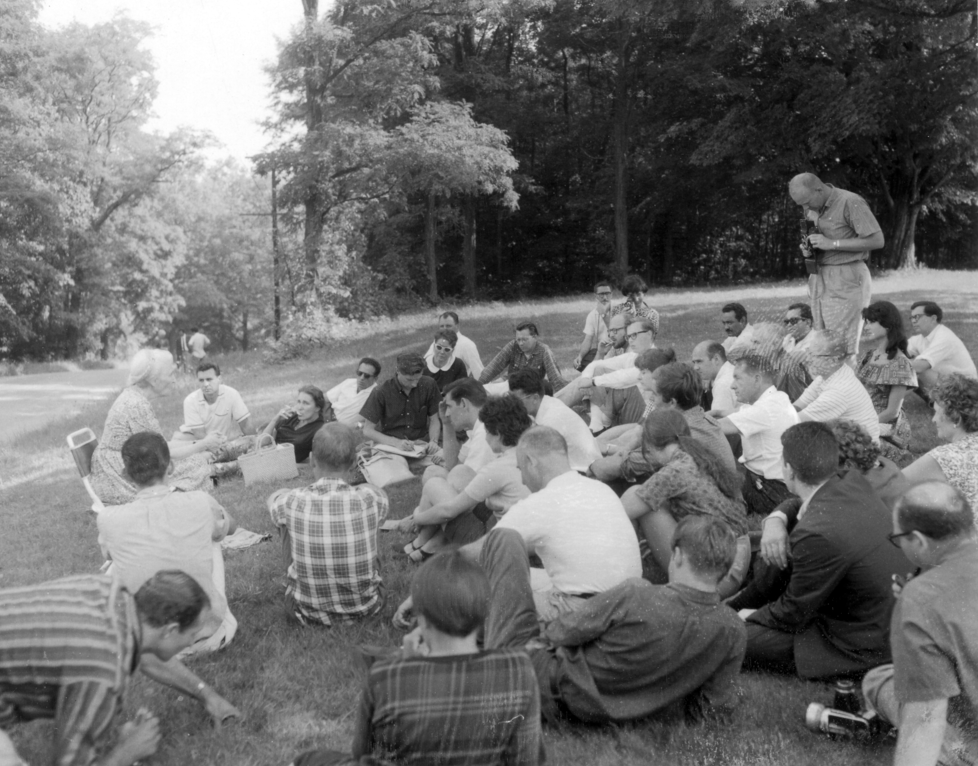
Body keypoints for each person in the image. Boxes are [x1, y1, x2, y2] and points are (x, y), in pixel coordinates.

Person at [395, 516, 747, 726]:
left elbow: (565, 630)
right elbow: (715, 707)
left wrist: (529, 637)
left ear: (678, 555)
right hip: (599, 710)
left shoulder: (638, 593)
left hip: (542, 680)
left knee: (505, 540)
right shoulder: (732, 629)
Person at [289, 553, 545, 766]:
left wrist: (404, 666)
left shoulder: (384, 677)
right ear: (484, 612)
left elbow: (363, 754)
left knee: (308, 759)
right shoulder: (519, 670)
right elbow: (528, 760)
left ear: (421, 618)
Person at [0, 571, 240, 766]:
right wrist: (127, 751)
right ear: (169, 630)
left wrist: (207, 695)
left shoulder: (109, 591)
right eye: (193, 633)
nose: (193, 641)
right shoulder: (103, 672)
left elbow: (145, 653)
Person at [737, 421, 905, 680]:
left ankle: (725, 614)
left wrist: (751, 616)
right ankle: (730, 607)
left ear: (789, 470)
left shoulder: (816, 533)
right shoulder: (849, 481)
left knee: (731, 636)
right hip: (877, 615)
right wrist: (776, 520)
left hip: (856, 642)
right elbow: (798, 505)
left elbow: (792, 613)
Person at [862, 482, 978, 766]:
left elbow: (925, 719)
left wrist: (916, 603)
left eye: (898, 538)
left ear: (919, 541)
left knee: (877, 681)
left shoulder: (921, 599)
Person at [97, 432, 238, 653]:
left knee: (116, 561)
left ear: (126, 475)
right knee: (213, 535)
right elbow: (231, 527)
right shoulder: (200, 502)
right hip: (208, 635)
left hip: (148, 646)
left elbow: (108, 556)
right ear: (170, 467)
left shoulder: (108, 518)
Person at [267, 423, 390, 626]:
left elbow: (272, 502)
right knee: (373, 518)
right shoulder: (371, 498)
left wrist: (283, 493)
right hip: (368, 608)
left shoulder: (292, 500)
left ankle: (297, 582)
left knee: (283, 520)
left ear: (312, 460)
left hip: (305, 612)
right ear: (354, 462)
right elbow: (379, 495)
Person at [620, 411, 749, 595]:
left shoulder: (676, 469)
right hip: (734, 559)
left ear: (650, 444)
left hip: (715, 577)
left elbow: (619, 512)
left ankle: (621, 568)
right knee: (651, 500)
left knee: (641, 500)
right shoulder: (698, 455)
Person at [399, 394, 532, 561]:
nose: (486, 437)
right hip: (520, 535)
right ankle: (425, 546)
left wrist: (417, 518)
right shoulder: (529, 454)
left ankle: (421, 544)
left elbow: (448, 511)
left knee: (433, 485)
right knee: (461, 472)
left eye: (487, 432)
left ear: (498, 434)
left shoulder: (497, 468)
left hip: (494, 545)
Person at [90, 349, 218, 504]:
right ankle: (171, 501)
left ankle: (174, 498)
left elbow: (160, 446)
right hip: (119, 475)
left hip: (126, 465)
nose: (173, 380)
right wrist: (203, 444)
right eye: (170, 375)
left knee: (196, 460)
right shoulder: (136, 405)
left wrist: (199, 444)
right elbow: (163, 452)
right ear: (154, 380)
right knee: (197, 464)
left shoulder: (134, 397)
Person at [592, 362, 736, 487]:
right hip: (724, 498)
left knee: (627, 488)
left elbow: (615, 467)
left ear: (672, 402)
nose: (652, 400)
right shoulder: (701, 418)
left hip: (708, 505)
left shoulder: (678, 435)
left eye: (655, 395)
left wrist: (590, 466)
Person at [788, 173, 884, 355]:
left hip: (847, 277)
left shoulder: (851, 202)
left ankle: (847, 374)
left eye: (806, 202)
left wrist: (833, 244)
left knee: (842, 347)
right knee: (822, 345)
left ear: (819, 189)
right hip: (819, 277)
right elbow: (818, 241)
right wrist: (809, 249)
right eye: (800, 204)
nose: (805, 208)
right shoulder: (812, 206)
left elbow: (877, 240)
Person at [716, 354, 799, 516]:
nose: (732, 386)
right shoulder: (777, 398)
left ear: (757, 379)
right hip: (780, 486)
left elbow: (712, 428)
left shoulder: (764, 409)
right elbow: (740, 412)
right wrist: (717, 412)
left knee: (711, 463)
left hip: (770, 492)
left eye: (737, 378)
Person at [903, 373, 978, 513]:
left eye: (937, 412)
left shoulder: (945, 457)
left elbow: (891, 486)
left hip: (961, 527)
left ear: (956, 419)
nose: (934, 419)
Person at [793, 329, 880, 442]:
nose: (807, 359)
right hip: (846, 441)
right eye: (808, 352)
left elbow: (795, 422)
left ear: (833, 360)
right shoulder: (829, 375)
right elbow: (797, 406)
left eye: (813, 355)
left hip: (858, 450)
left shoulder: (839, 391)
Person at [508, 369, 602, 474]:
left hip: (583, 472)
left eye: (516, 400)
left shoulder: (550, 420)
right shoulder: (548, 403)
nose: (513, 405)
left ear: (535, 398)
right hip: (578, 467)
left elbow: (539, 460)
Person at [574, 318, 658, 432]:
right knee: (599, 369)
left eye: (634, 335)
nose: (631, 340)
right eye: (629, 337)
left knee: (625, 387)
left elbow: (626, 377)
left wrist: (592, 381)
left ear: (649, 334)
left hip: (647, 417)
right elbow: (597, 364)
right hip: (629, 411)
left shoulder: (655, 357)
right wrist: (585, 378)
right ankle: (597, 424)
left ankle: (601, 424)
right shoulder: (633, 356)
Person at [360, 353, 443, 468]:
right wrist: (396, 442)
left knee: (445, 458)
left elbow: (434, 420)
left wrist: (433, 441)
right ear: (398, 371)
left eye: (418, 379)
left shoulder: (429, 384)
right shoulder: (381, 391)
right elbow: (367, 430)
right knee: (396, 465)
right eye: (409, 380)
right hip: (391, 445)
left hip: (420, 445)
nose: (414, 384)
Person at [857, 300, 918, 455]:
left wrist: (859, 426)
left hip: (885, 429)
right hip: (862, 419)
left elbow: (892, 412)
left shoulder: (900, 363)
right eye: (866, 322)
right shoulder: (869, 356)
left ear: (888, 324)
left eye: (872, 322)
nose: (866, 327)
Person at [176, 361, 257, 464]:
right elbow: (200, 435)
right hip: (192, 442)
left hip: (217, 444)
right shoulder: (190, 400)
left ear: (219, 379)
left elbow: (246, 425)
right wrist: (224, 448)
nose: (205, 384)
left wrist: (255, 445)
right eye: (201, 380)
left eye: (209, 379)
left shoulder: (231, 394)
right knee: (205, 459)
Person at [907, 300, 978, 398]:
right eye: (912, 317)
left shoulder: (945, 337)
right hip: (951, 383)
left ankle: (892, 403)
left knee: (917, 369)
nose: (913, 321)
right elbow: (898, 351)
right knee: (907, 364)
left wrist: (889, 367)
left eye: (917, 317)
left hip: (968, 390)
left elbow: (919, 367)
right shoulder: (920, 338)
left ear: (933, 318)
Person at [479, 321, 567, 394]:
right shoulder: (512, 346)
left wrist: (563, 399)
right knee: (486, 391)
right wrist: (478, 386)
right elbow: (493, 367)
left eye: (524, 340)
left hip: (531, 392)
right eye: (518, 339)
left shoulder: (544, 351)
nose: (521, 343)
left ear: (534, 337)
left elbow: (555, 379)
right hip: (510, 386)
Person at [262, 385, 328, 463]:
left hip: (290, 467)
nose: (299, 407)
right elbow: (263, 442)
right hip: (270, 460)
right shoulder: (291, 416)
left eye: (305, 403)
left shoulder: (320, 430)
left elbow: (316, 463)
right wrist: (275, 420)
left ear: (317, 408)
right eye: (299, 402)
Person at [424, 311, 484, 378]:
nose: (445, 329)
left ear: (457, 326)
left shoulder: (467, 345)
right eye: (441, 326)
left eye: (448, 326)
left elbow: (478, 372)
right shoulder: (437, 342)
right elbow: (425, 363)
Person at [323, 358, 381, 427]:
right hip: (329, 419)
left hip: (346, 429)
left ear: (375, 378)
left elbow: (378, 423)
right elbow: (325, 398)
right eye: (360, 373)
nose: (362, 378)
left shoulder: (377, 395)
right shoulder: (349, 382)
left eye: (367, 376)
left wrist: (357, 426)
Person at [573, 280, 613, 370]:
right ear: (595, 296)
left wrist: (603, 314)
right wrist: (580, 356)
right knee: (581, 362)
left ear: (612, 295)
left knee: (594, 368)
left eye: (607, 294)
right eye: (601, 294)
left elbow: (615, 334)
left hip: (616, 349)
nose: (605, 297)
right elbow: (588, 339)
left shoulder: (618, 310)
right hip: (602, 350)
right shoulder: (592, 315)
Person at [691, 340, 736, 413]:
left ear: (716, 359)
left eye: (699, 361)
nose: (695, 367)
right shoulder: (732, 371)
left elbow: (717, 419)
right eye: (694, 362)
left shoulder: (722, 384)